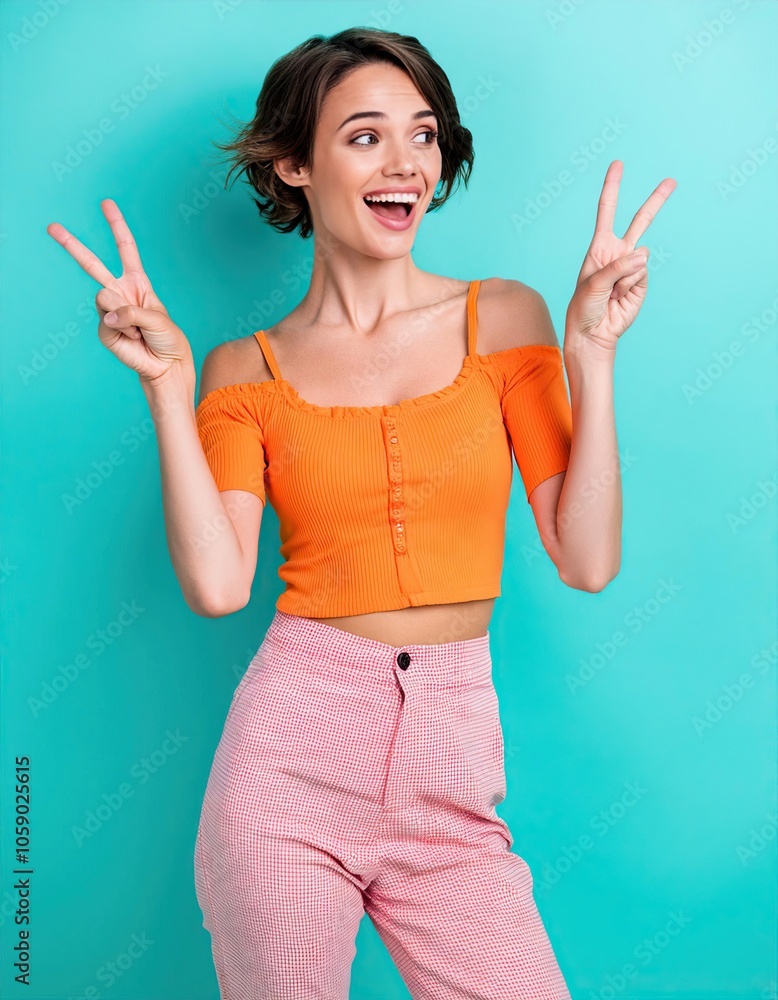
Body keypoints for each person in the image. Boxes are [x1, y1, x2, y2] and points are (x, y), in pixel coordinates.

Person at [47, 25, 675, 1000]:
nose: (406, 163)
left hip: (452, 768)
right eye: (366, 136)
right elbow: (218, 585)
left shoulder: (504, 319)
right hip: (288, 764)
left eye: (423, 135)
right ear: (294, 165)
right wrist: (168, 390)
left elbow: (586, 559)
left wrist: (591, 356)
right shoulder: (243, 370)